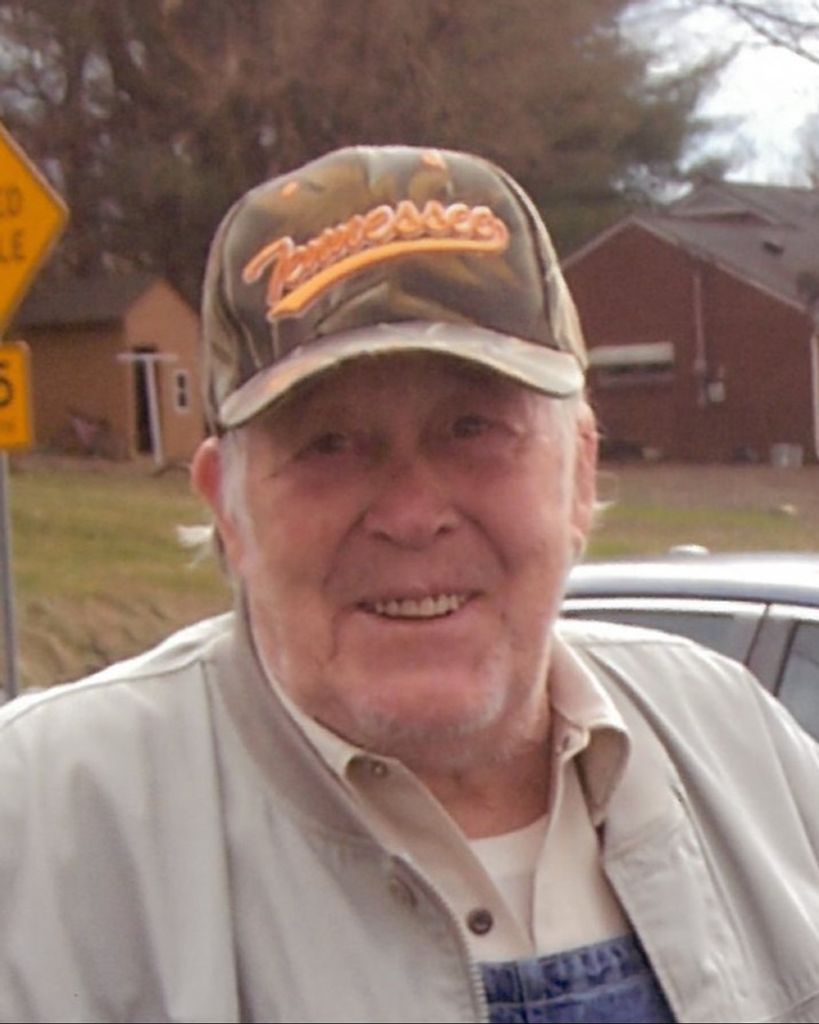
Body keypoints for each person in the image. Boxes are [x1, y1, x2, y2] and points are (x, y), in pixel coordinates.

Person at [1, 145, 818, 1024]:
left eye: (472, 428)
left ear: (578, 474)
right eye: (328, 444)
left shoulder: (736, 739)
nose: (411, 513)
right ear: (226, 507)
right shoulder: (43, 823)